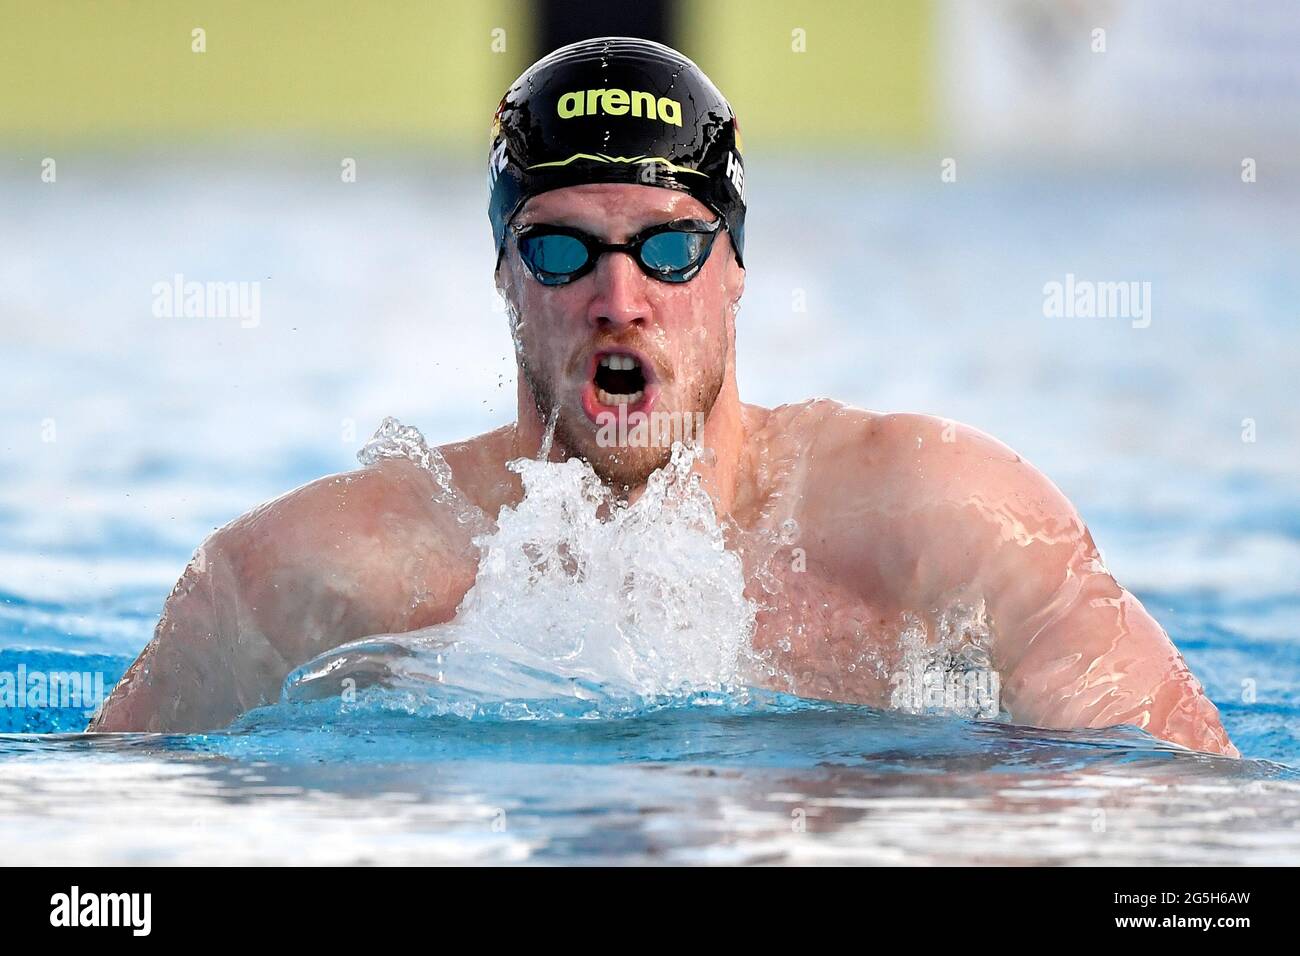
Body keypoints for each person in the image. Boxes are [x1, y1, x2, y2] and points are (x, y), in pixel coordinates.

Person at [89, 37, 1238, 757]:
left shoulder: (948, 521)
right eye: (560, 253)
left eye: (670, 249)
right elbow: (89, 851)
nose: (618, 298)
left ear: (736, 265)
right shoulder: (308, 575)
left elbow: (1195, 827)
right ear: (501, 274)